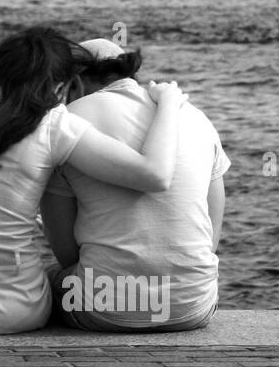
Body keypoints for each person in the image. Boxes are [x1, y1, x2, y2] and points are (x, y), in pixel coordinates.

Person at [0, 26, 189, 335]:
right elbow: (155, 174)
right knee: (61, 276)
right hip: (14, 311)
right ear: (61, 87)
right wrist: (168, 103)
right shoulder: (55, 125)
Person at [41, 39, 228, 332]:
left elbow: (67, 254)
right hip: (194, 306)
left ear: (74, 82)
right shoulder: (197, 118)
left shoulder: (66, 124)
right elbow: (211, 238)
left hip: (105, 309)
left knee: (43, 280)